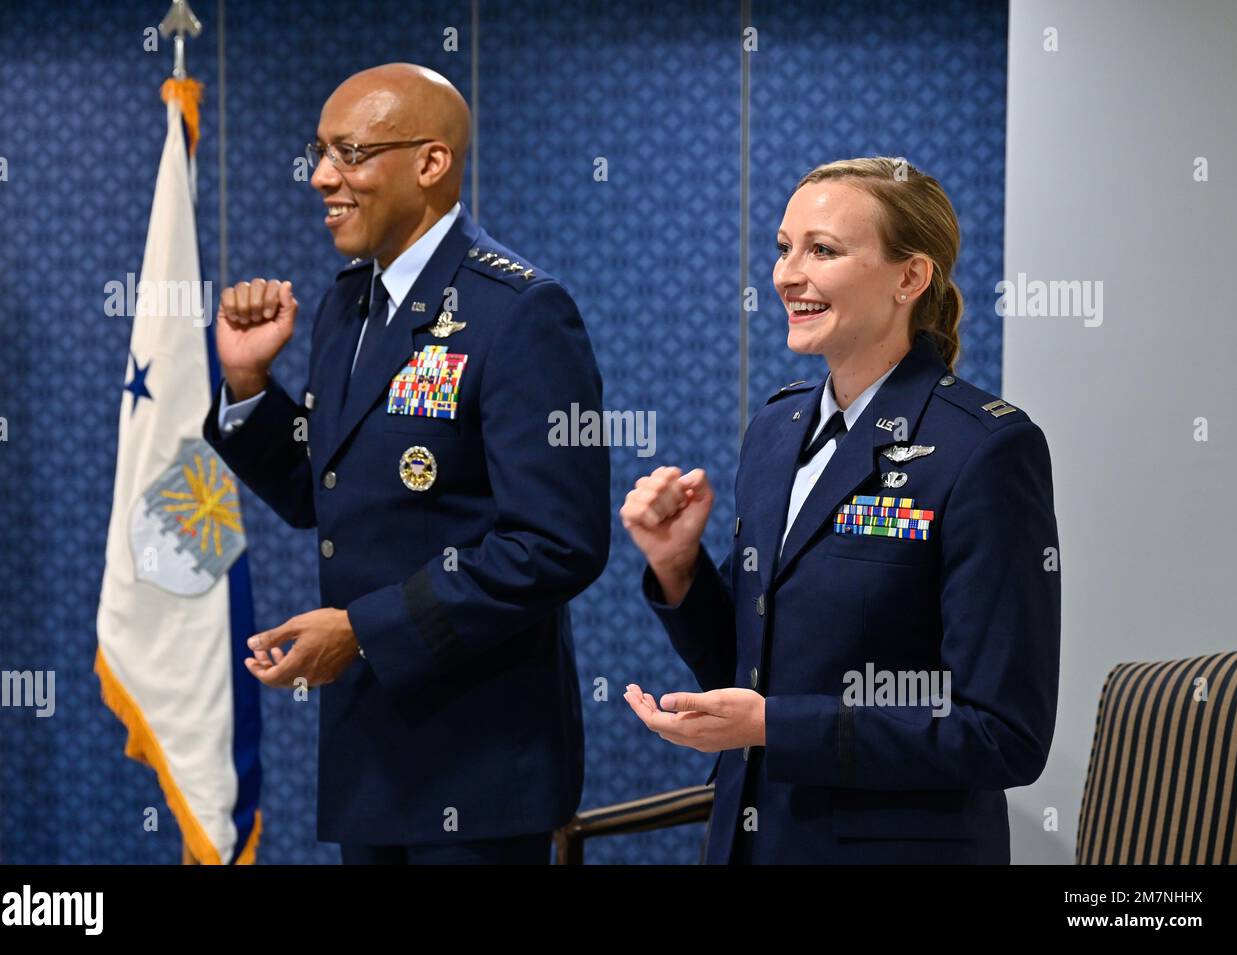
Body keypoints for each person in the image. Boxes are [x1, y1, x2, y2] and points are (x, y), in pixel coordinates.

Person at [203, 63, 610, 864]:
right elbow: (327, 489)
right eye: (319, 152)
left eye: (350, 153)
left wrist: (362, 629)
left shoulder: (521, 310)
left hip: (481, 763)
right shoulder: (347, 300)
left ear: (431, 163)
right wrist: (250, 384)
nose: (323, 177)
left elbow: (559, 543)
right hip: (372, 758)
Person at [619, 157, 1059, 864]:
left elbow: (1002, 734)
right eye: (783, 248)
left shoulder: (987, 448)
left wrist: (776, 726)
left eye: (822, 250)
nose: (788, 275)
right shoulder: (775, 428)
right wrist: (677, 567)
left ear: (909, 278)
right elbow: (746, 667)